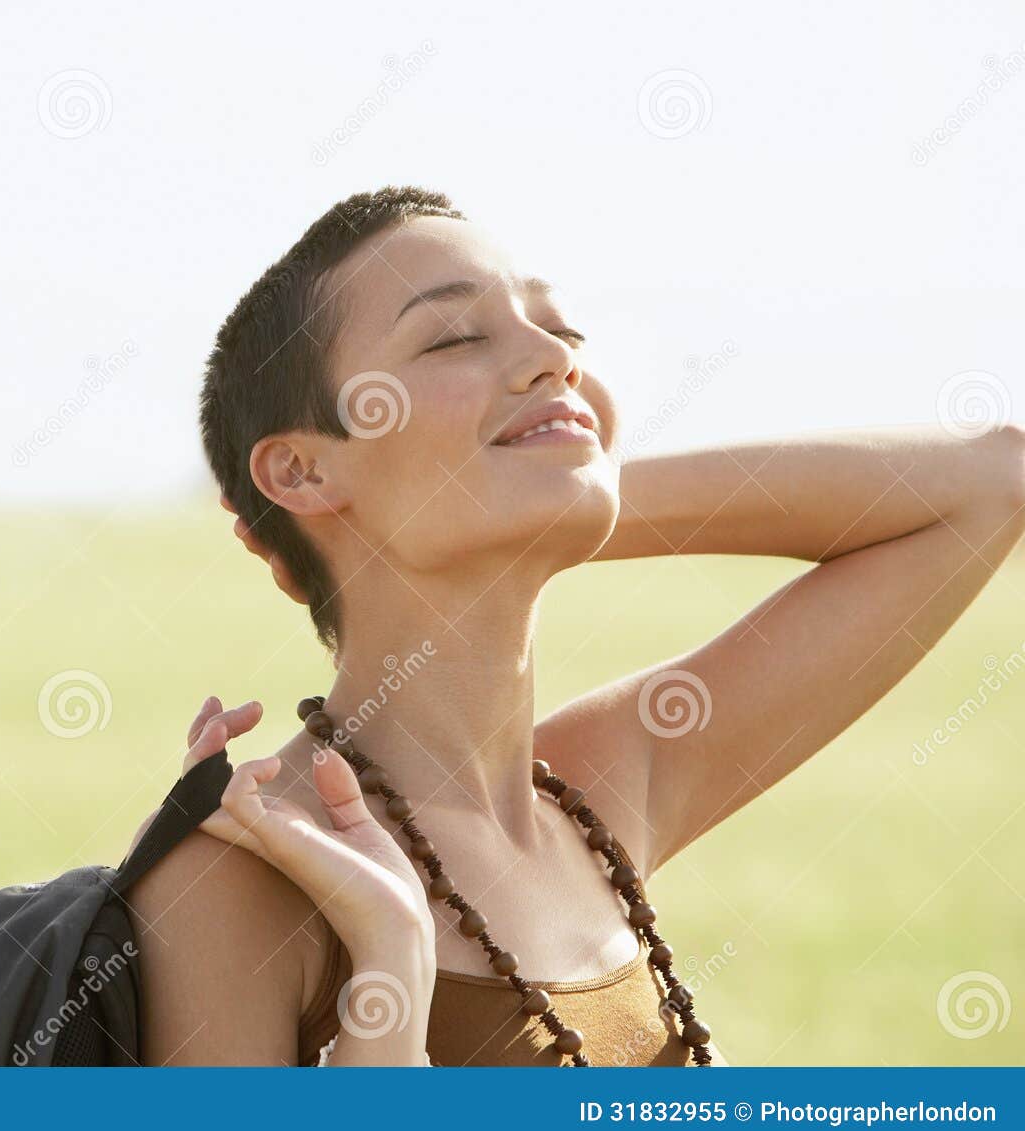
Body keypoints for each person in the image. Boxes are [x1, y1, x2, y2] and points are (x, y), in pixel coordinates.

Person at [126, 187, 1025, 1066]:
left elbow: (989, 484)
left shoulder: (604, 789)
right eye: (454, 337)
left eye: (561, 332)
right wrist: (391, 960)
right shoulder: (246, 863)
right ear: (302, 470)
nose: (552, 359)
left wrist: (542, 502)